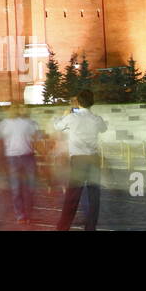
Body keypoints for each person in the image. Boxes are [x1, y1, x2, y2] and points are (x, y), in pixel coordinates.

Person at [54, 89, 109, 231]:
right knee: (94, 195)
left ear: (78, 102)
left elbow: (57, 126)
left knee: (73, 195)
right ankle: (91, 227)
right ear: (92, 102)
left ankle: (63, 227)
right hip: (94, 158)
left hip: (78, 159)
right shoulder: (97, 119)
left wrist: (64, 115)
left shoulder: (72, 117)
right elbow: (104, 129)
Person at [0, 103, 41, 224]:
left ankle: (29, 214)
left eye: (17, 107)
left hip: (28, 157)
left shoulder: (29, 123)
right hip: (12, 159)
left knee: (30, 188)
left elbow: (37, 138)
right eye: (13, 107)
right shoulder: (3, 124)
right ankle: (20, 215)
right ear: (9, 110)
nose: (15, 110)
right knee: (16, 189)